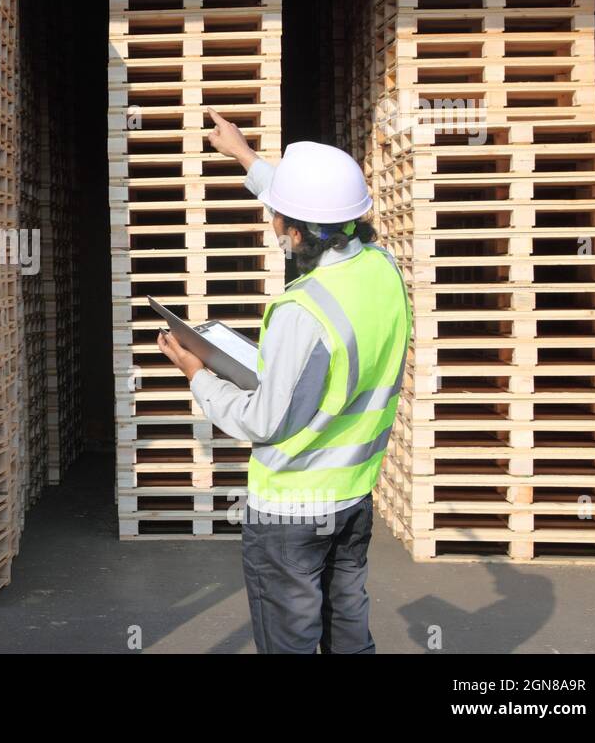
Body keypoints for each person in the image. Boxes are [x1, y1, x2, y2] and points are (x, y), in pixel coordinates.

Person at [157, 108, 412, 654]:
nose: (274, 227)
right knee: (347, 633)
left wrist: (198, 374)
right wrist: (246, 158)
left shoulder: (303, 309)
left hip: (293, 509)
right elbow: (317, 208)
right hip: (352, 497)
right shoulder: (383, 269)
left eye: (279, 221)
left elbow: (263, 421)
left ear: (297, 232)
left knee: (290, 642)